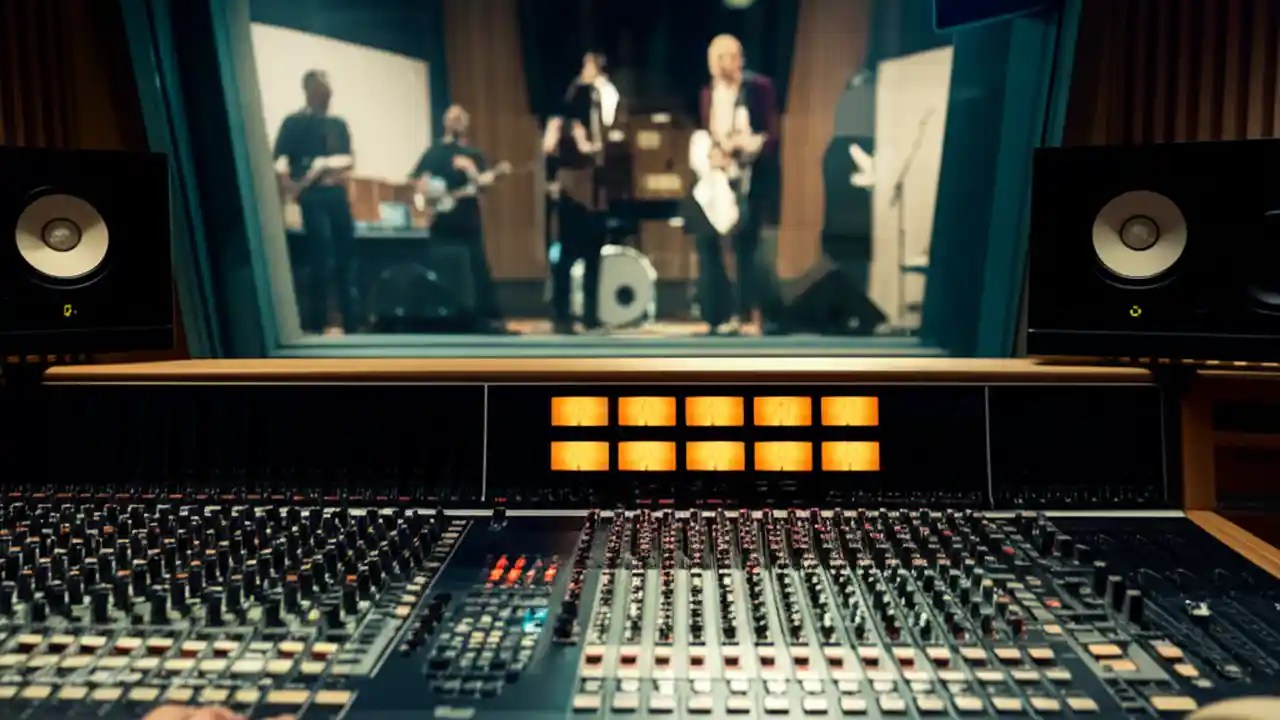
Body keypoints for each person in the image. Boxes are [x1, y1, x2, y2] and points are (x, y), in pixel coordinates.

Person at [690, 34, 780, 336]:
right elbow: (706, 132)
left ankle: (748, 314)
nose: (716, 66)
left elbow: (770, 135)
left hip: (750, 177)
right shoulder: (707, 93)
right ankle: (717, 314)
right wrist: (714, 154)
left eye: (723, 59)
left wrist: (745, 146)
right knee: (708, 243)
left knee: (747, 247)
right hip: (718, 180)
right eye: (713, 61)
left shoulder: (758, 88)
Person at [273, 69, 361, 335]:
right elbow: (279, 160)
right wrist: (290, 187)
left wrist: (323, 165)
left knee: (346, 261)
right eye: (324, 89)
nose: (329, 94)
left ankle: (352, 326)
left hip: (336, 194)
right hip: (312, 197)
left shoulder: (338, 124)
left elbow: (349, 159)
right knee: (320, 261)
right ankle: (316, 325)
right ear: (310, 90)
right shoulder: (293, 122)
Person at [410, 105, 511, 334]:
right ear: (445, 121)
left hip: (467, 219)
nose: (457, 122)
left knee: (476, 265)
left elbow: (483, 185)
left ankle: (479, 318)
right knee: (440, 266)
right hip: (441, 221)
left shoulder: (473, 154)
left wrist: (471, 170)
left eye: (461, 118)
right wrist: (426, 192)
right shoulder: (433, 153)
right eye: (453, 118)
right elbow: (418, 181)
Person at [542, 51, 622, 334]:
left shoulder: (601, 97)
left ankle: (590, 314)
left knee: (593, 253)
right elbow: (550, 148)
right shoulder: (566, 112)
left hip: (595, 185)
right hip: (573, 185)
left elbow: (608, 117)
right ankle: (562, 315)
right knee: (567, 253)